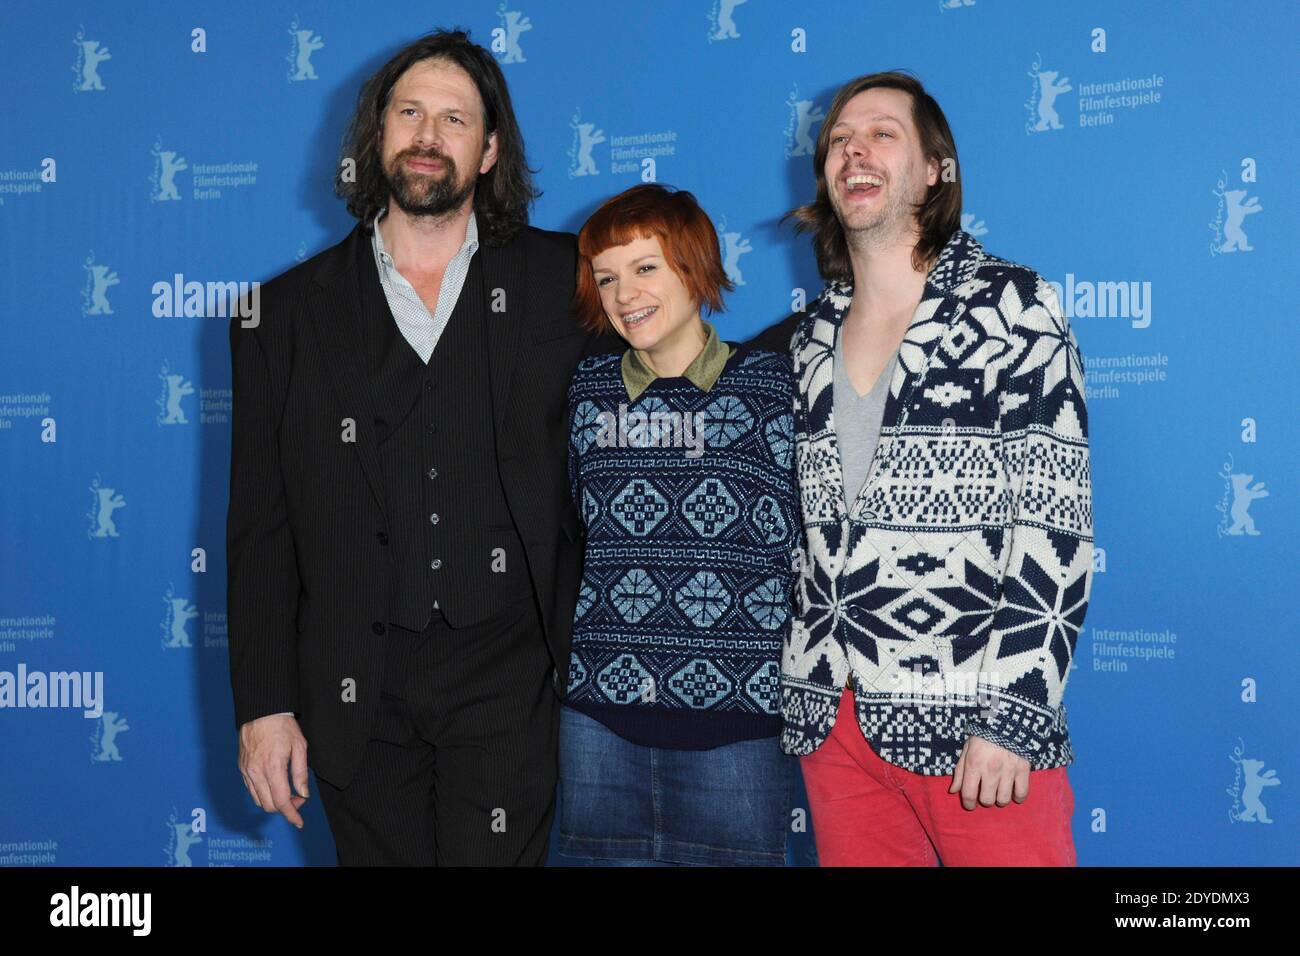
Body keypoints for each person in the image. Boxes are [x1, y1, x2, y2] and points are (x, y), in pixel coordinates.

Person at [227, 29, 613, 866]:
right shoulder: (280, 317)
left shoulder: (567, 281)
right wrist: (263, 708)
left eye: (454, 119)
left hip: (513, 679)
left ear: (488, 152)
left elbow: (666, 386)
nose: (428, 136)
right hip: (354, 687)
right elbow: (258, 528)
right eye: (409, 113)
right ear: (377, 136)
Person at [748, 71, 1094, 866]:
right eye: (839, 140)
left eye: (882, 134)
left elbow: (1057, 530)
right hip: (835, 724)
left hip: (977, 726)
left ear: (936, 168)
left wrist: (1012, 715)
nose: (854, 151)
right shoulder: (804, 341)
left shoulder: (1016, 306)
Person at [558, 184, 800, 866]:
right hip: (596, 722)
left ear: (693, 267)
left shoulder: (775, 387)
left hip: (740, 730)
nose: (623, 293)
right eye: (605, 277)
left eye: (645, 267)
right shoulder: (587, 392)